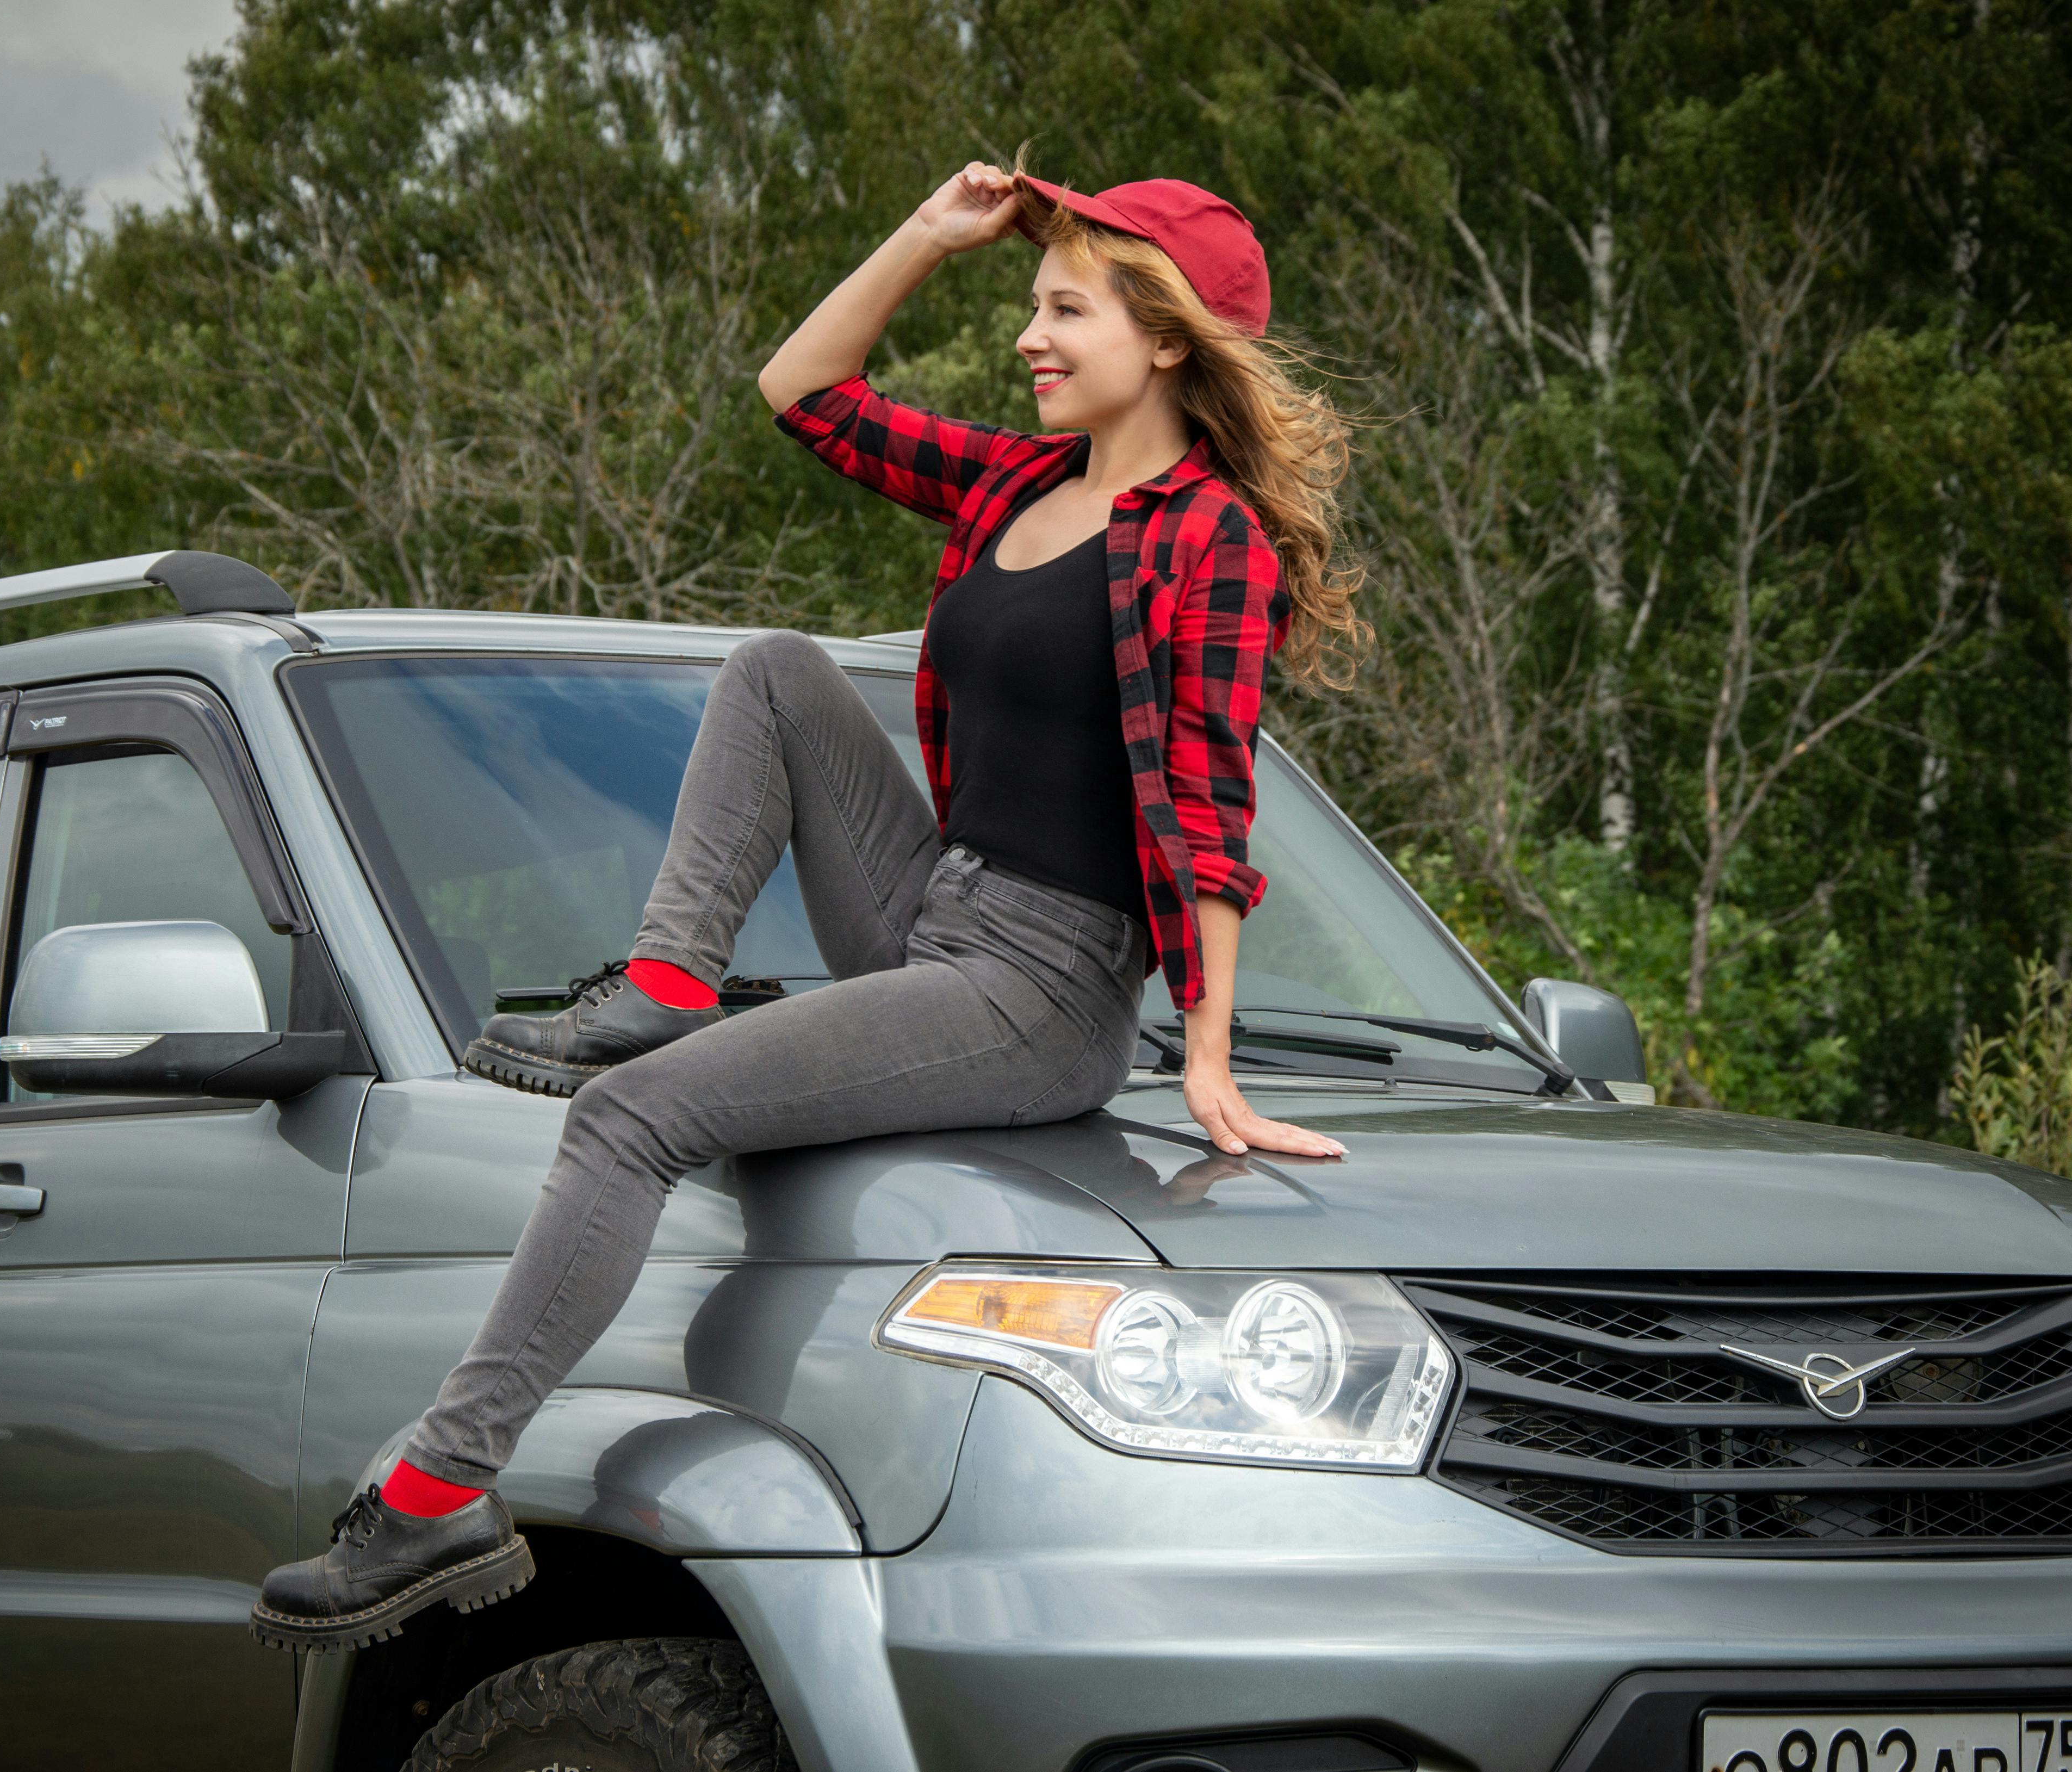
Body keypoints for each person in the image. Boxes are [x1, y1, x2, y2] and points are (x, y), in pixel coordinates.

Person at [252, 159, 1372, 1650]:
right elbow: (802, 388)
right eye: (1028, 308)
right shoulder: (1014, 484)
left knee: (628, 1118)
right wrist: (926, 230)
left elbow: (1208, 800)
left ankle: (436, 1484)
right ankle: (667, 976)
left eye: (1062, 310)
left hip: (1042, 983)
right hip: (932, 909)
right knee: (776, 665)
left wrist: (1210, 1053)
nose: (1026, 338)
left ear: (1164, 337)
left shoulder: (1201, 535)